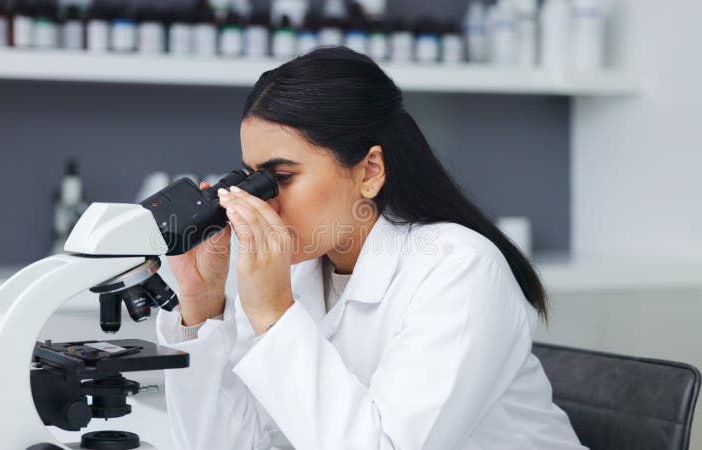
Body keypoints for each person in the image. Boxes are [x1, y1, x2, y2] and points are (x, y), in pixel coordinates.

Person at [155, 47, 586, 450]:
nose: (259, 198)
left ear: (370, 171)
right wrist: (202, 305)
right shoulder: (293, 275)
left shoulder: (461, 268)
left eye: (280, 177)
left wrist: (274, 317)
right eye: (250, 177)